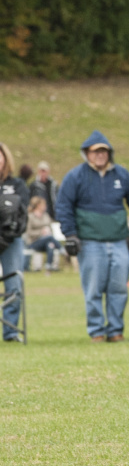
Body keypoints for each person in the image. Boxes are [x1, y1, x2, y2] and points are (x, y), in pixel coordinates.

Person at [56, 131, 129, 342]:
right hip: (90, 241)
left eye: (104, 151)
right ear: (87, 153)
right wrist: (70, 234)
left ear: (110, 153)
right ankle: (97, 330)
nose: (100, 155)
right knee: (93, 289)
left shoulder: (121, 175)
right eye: (95, 151)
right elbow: (63, 207)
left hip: (118, 240)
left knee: (119, 288)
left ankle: (116, 330)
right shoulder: (76, 176)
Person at [0, 143, 30, 342]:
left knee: (14, 285)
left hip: (11, 241)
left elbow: (22, 214)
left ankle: (11, 332)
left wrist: (6, 236)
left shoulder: (17, 185)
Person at [23, 196, 62, 272]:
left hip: (46, 241)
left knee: (50, 244)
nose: (45, 207)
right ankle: (61, 248)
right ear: (38, 205)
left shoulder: (46, 215)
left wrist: (47, 232)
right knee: (50, 238)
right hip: (34, 242)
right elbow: (28, 232)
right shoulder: (30, 216)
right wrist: (41, 232)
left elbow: (50, 228)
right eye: (44, 205)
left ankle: (49, 266)